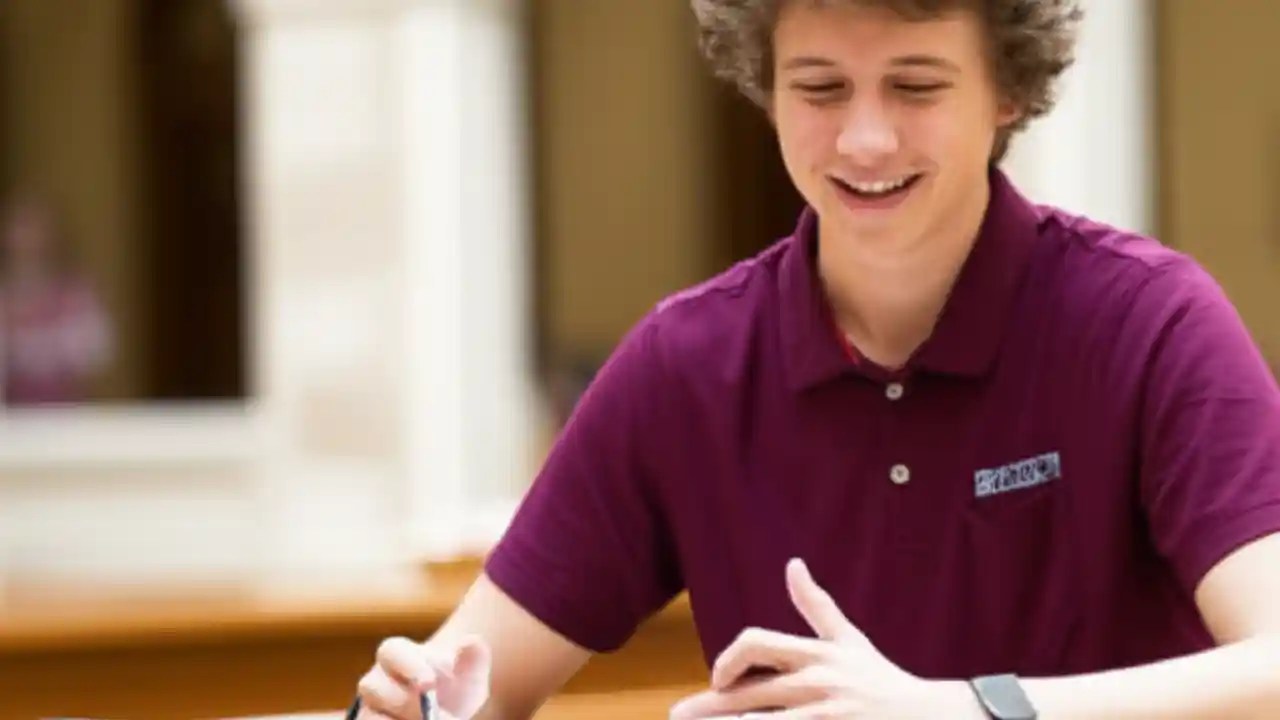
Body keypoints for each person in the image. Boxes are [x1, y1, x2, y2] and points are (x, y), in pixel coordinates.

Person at [353, 1, 1280, 718]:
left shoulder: (1149, 322)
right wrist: (415, 701)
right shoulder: (687, 364)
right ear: (765, 87)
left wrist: (965, 708)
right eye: (820, 89)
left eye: (915, 87)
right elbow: (476, 678)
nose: (864, 140)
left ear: (1008, 91)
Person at [0, 194, 113, 405]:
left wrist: (36, 350)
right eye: (20, 226)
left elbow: (97, 352)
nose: (27, 238)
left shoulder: (75, 295)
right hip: (11, 423)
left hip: (64, 417)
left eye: (34, 226)